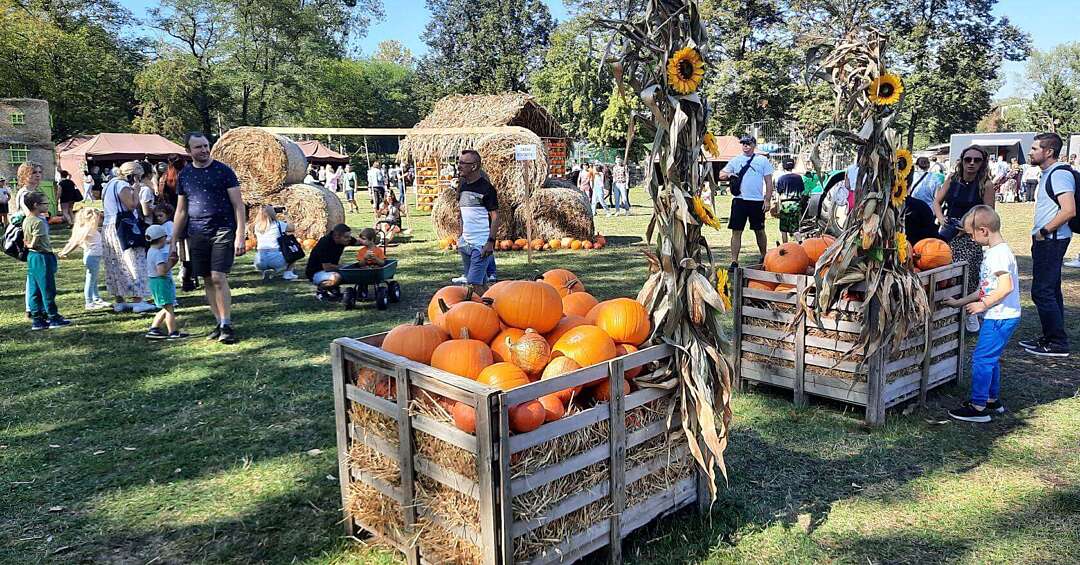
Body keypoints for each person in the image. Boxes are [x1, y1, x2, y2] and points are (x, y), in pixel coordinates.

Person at [942, 206, 1020, 422]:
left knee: (981, 360)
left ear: (983, 231)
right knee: (990, 359)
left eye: (971, 234)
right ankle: (991, 401)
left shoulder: (999, 255)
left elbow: (1005, 287)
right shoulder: (994, 253)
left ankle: (978, 408)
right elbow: (983, 288)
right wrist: (960, 302)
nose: (971, 239)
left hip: (1001, 317)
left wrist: (982, 305)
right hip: (999, 315)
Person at [171, 132, 246, 345]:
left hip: (223, 229)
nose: (204, 150)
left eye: (206, 146)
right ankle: (219, 321)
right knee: (206, 278)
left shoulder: (224, 171)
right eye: (198, 147)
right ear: (188, 151)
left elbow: (238, 205)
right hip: (197, 232)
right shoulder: (184, 175)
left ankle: (227, 323)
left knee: (217, 276)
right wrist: (173, 241)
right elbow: (181, 211)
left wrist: (240, 234)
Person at [1018, 132, 1076, 358]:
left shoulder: (1060, 175)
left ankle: (1057, 342)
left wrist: (1044, 231)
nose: (1030, 152)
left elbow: (1069, 210)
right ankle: (1051, 337)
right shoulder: (1049, 173)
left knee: (1041, 292)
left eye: (1034, 148)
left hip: (1051, 240)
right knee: (1050, 290)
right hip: (1048, 240)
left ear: (1048, 151)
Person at [101, 161, 155, 314]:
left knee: (115, 263)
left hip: (109, 227)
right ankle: (138, 300)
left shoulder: (109, 185)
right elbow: (131, 205)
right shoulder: (122, 185)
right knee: (134, 261)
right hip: (123, 227)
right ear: (133, 175)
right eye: (138, 176)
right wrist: (136, 190)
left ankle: (120, 300)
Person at [718, 135, 774, 268]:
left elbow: (768, 181)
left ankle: (763, 255)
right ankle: (734, 261)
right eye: (743, 144)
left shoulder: (762, 160)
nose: (745, 146)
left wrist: (767, 200)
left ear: (754, 145)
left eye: (748, 144)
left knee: (759, 230)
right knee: (736, 231)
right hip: (740, 200)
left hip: (756, 201)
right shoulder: (736, 160)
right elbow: (721, 174)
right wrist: (729, 174)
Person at [22, 192, 72, 330]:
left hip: (32, 257)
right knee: (47, 288)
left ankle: (38, 319)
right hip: (42, 257)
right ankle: (53, 316)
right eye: (45, 203)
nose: (47, 205)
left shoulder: (27, 219)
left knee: (34, 289)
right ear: (36, 205)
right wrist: (31, 244)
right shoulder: (39, 222)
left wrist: (29, 245)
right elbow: (35, 242)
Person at [455, 149, 499, 294]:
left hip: (480, 245)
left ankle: (484, 313)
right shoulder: (462, 185)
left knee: (473, 283)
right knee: (480, 283)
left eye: (462, 163)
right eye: (458, 162)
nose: (459, 165)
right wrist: (460, 236)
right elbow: (461, 213)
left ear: (474, 166)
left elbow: (495, 217)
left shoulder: (487, 189)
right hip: (465, 243)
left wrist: (490, 242)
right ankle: (493, 306)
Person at [933, 145, 995, 241]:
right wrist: (941, 218)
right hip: (948, 230)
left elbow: (989, 213)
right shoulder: (952, 179)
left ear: (982, 163)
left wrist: (970, 228)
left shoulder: (986, 184)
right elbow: (937, 202)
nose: (972, 163)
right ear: (962, 161)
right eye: (968, 159)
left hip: (972, 234)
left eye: (977, 160)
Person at [59, 208, 110, 310]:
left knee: (94, 279)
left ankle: (96, 298)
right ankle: (89, 302)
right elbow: (75, 242)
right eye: (98, 218)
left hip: (94, 256)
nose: (100, 220)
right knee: (91, 280)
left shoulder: (90, 229)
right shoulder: (87, 229)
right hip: (92, 257)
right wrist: (65, 252)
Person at [143, 224, 188, 340]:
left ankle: (154, 329)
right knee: (169, 309)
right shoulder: (157, 254)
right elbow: (162, 271)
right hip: (161, 282)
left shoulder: (150, 251)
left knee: (166, 307)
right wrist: (172, 263)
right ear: (162, 239)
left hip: (155, 282)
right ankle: (172, 332)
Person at [949, 211, 985, 333]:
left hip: (972, 234)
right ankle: (960, 309)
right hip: (956, 231)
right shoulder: (954, 241)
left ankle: (970, 310)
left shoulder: (974, 242)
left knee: (970, 273)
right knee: (955, 271)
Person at [306, 223, 356, 300]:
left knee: (355, 269)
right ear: (336, 236)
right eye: (346, 237)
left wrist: (370, 240)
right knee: (336, 277)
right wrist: (345, 267)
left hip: (330, 270)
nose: (349, 239)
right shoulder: (325, 243)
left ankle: (334, 289)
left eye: (349, 236)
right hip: (317, 272)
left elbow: (359, 242)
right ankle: (321, 291)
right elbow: (327, 267)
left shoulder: (343, 240)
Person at [250, 204, 298, 281]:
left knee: (265, 256)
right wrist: (286, 215)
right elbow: (292, 228)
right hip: (275, 258)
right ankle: (288, 273)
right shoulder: (278, 224)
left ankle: (265, 270)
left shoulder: (257, 226)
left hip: (259, 260)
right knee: (293, 251)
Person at [774, 159, 805, 242]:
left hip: (785, 205)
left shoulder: (781, 179)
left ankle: (785, 246)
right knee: (795, 228)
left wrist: (777, 207)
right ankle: (800, 243)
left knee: (783, 229)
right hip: (796, 204)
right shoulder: (799, 178)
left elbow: (779, 193)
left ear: (784, 167)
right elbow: (802, 191)